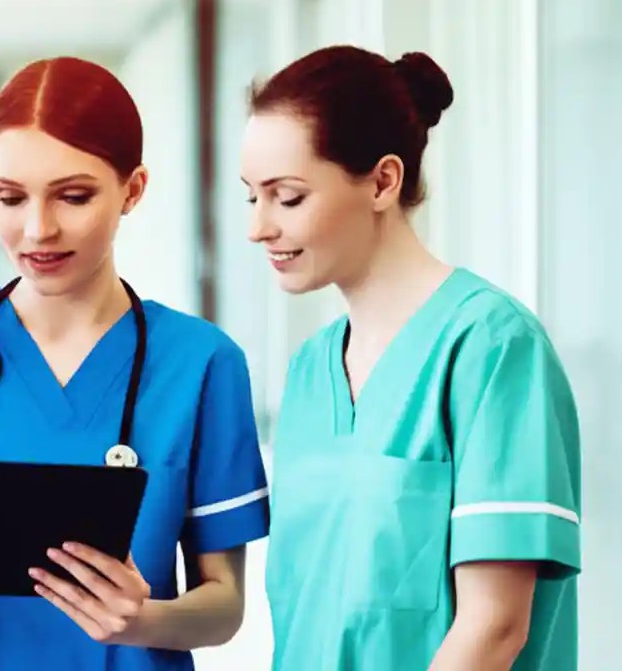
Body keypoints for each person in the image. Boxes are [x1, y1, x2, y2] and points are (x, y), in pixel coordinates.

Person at [0, 56, 270, 671]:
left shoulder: (201, 364)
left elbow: (224, 608)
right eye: (9, 197)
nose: (38, 229)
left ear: (132, 190)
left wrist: (142, 620)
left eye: (74, 196)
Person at [241, 44, 582, 670]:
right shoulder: (311, 371)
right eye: (250, 198)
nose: (258, 227)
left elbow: (495, 626)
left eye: (286, 197)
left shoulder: (490, 347)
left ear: (382, 181)